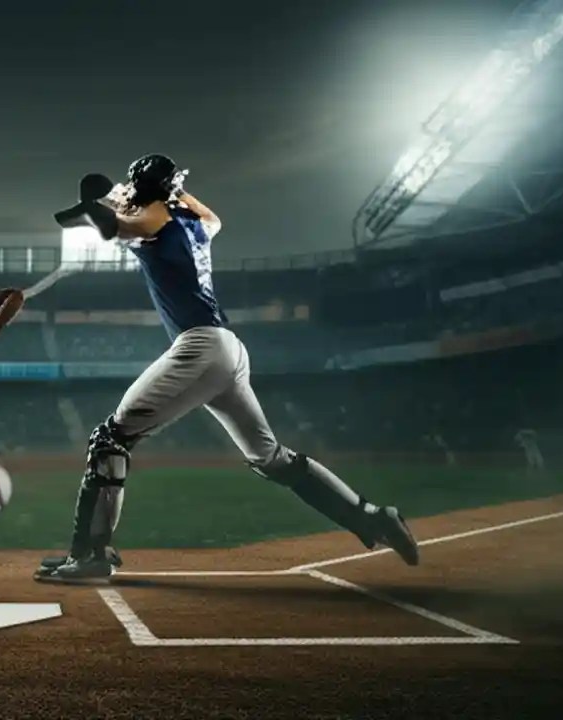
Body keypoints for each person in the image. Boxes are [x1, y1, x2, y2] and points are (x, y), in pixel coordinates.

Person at [37, 153, 419, 582]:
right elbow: (205, 216)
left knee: (110, 438)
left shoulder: (152, 219)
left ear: (144, 190)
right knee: (272, 458)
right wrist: (110, 200)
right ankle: (372, 517)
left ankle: (90, 554)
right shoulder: (196, 224)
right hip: (229, 350)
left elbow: (105, 226)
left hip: (199, 347)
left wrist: (99, 200)